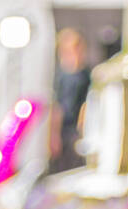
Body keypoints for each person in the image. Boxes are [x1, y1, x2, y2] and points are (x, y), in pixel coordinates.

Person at [50, 28, 91, 173]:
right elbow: (56, 107)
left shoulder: (86, 74)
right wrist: (53, 135)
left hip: (76, 130)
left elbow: (87, 103)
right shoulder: (59, 76)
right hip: (63, 129)